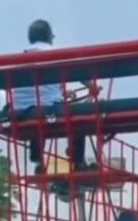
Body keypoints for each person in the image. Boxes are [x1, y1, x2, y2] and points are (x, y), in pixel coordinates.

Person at [10, 19, 98, 174]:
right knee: (80, 116)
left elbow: (36, 88)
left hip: (21, 111)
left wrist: (61, 93)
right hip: (47, 108)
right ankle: (78, 162)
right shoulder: (53, 55)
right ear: (49, 37)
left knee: (37, 114)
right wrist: (92, 87)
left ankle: (37, 155)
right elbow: (77, 72)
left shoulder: (19, 59)